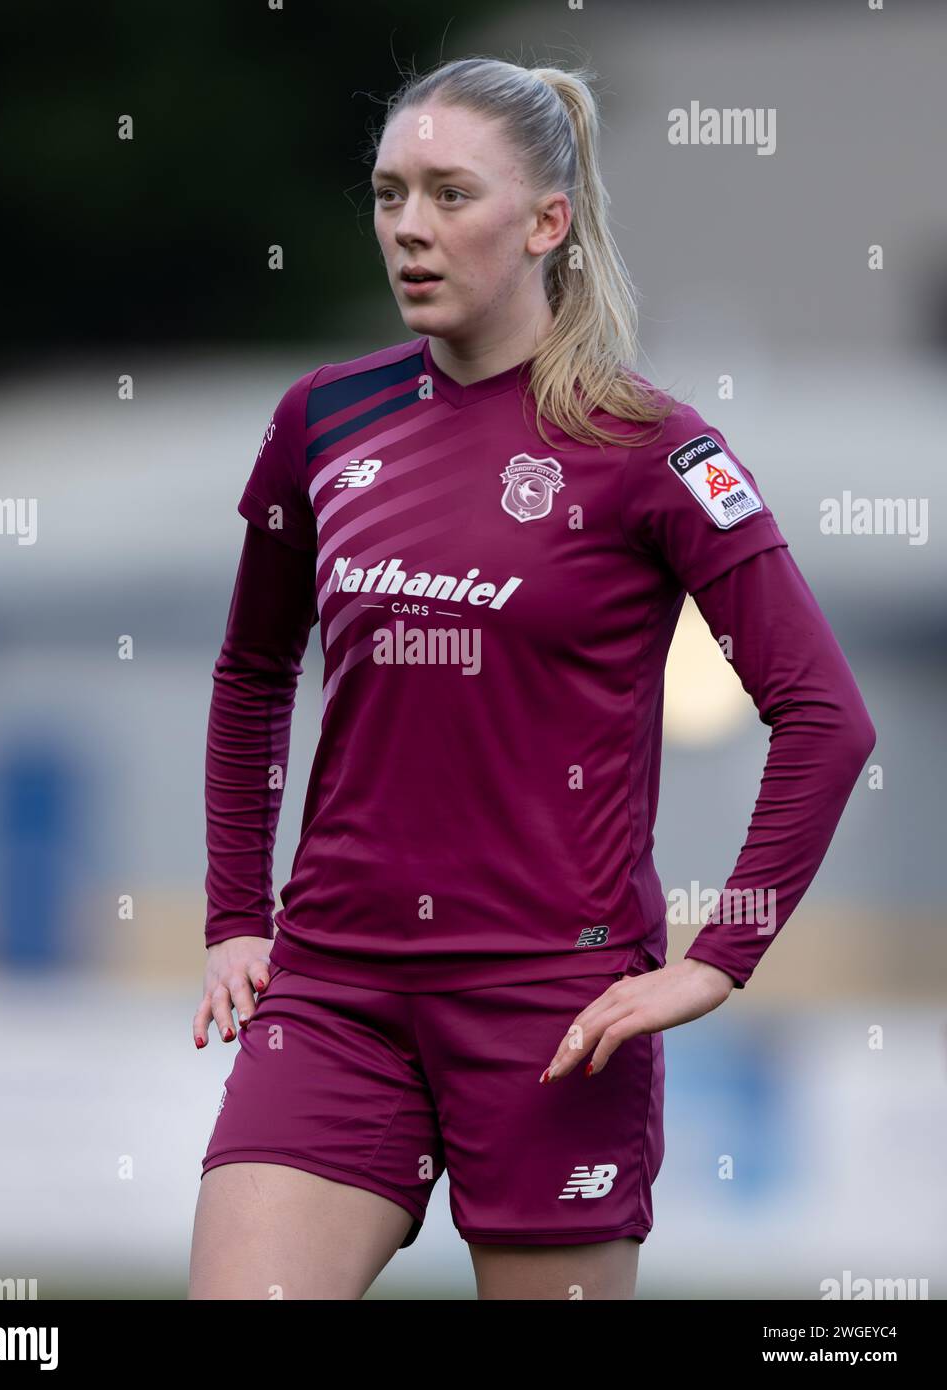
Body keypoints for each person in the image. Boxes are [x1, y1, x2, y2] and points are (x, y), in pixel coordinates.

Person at [188, 57, 876, 1300]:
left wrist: (721, 955)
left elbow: (824, 715)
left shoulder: (651, 448)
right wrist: (238, 912)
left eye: (451, 194)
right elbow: (249, 673)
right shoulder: (319, 421)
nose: (409, 226)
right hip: (333, 992)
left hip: (557, 1015)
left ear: (546, 222)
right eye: (390, 191)